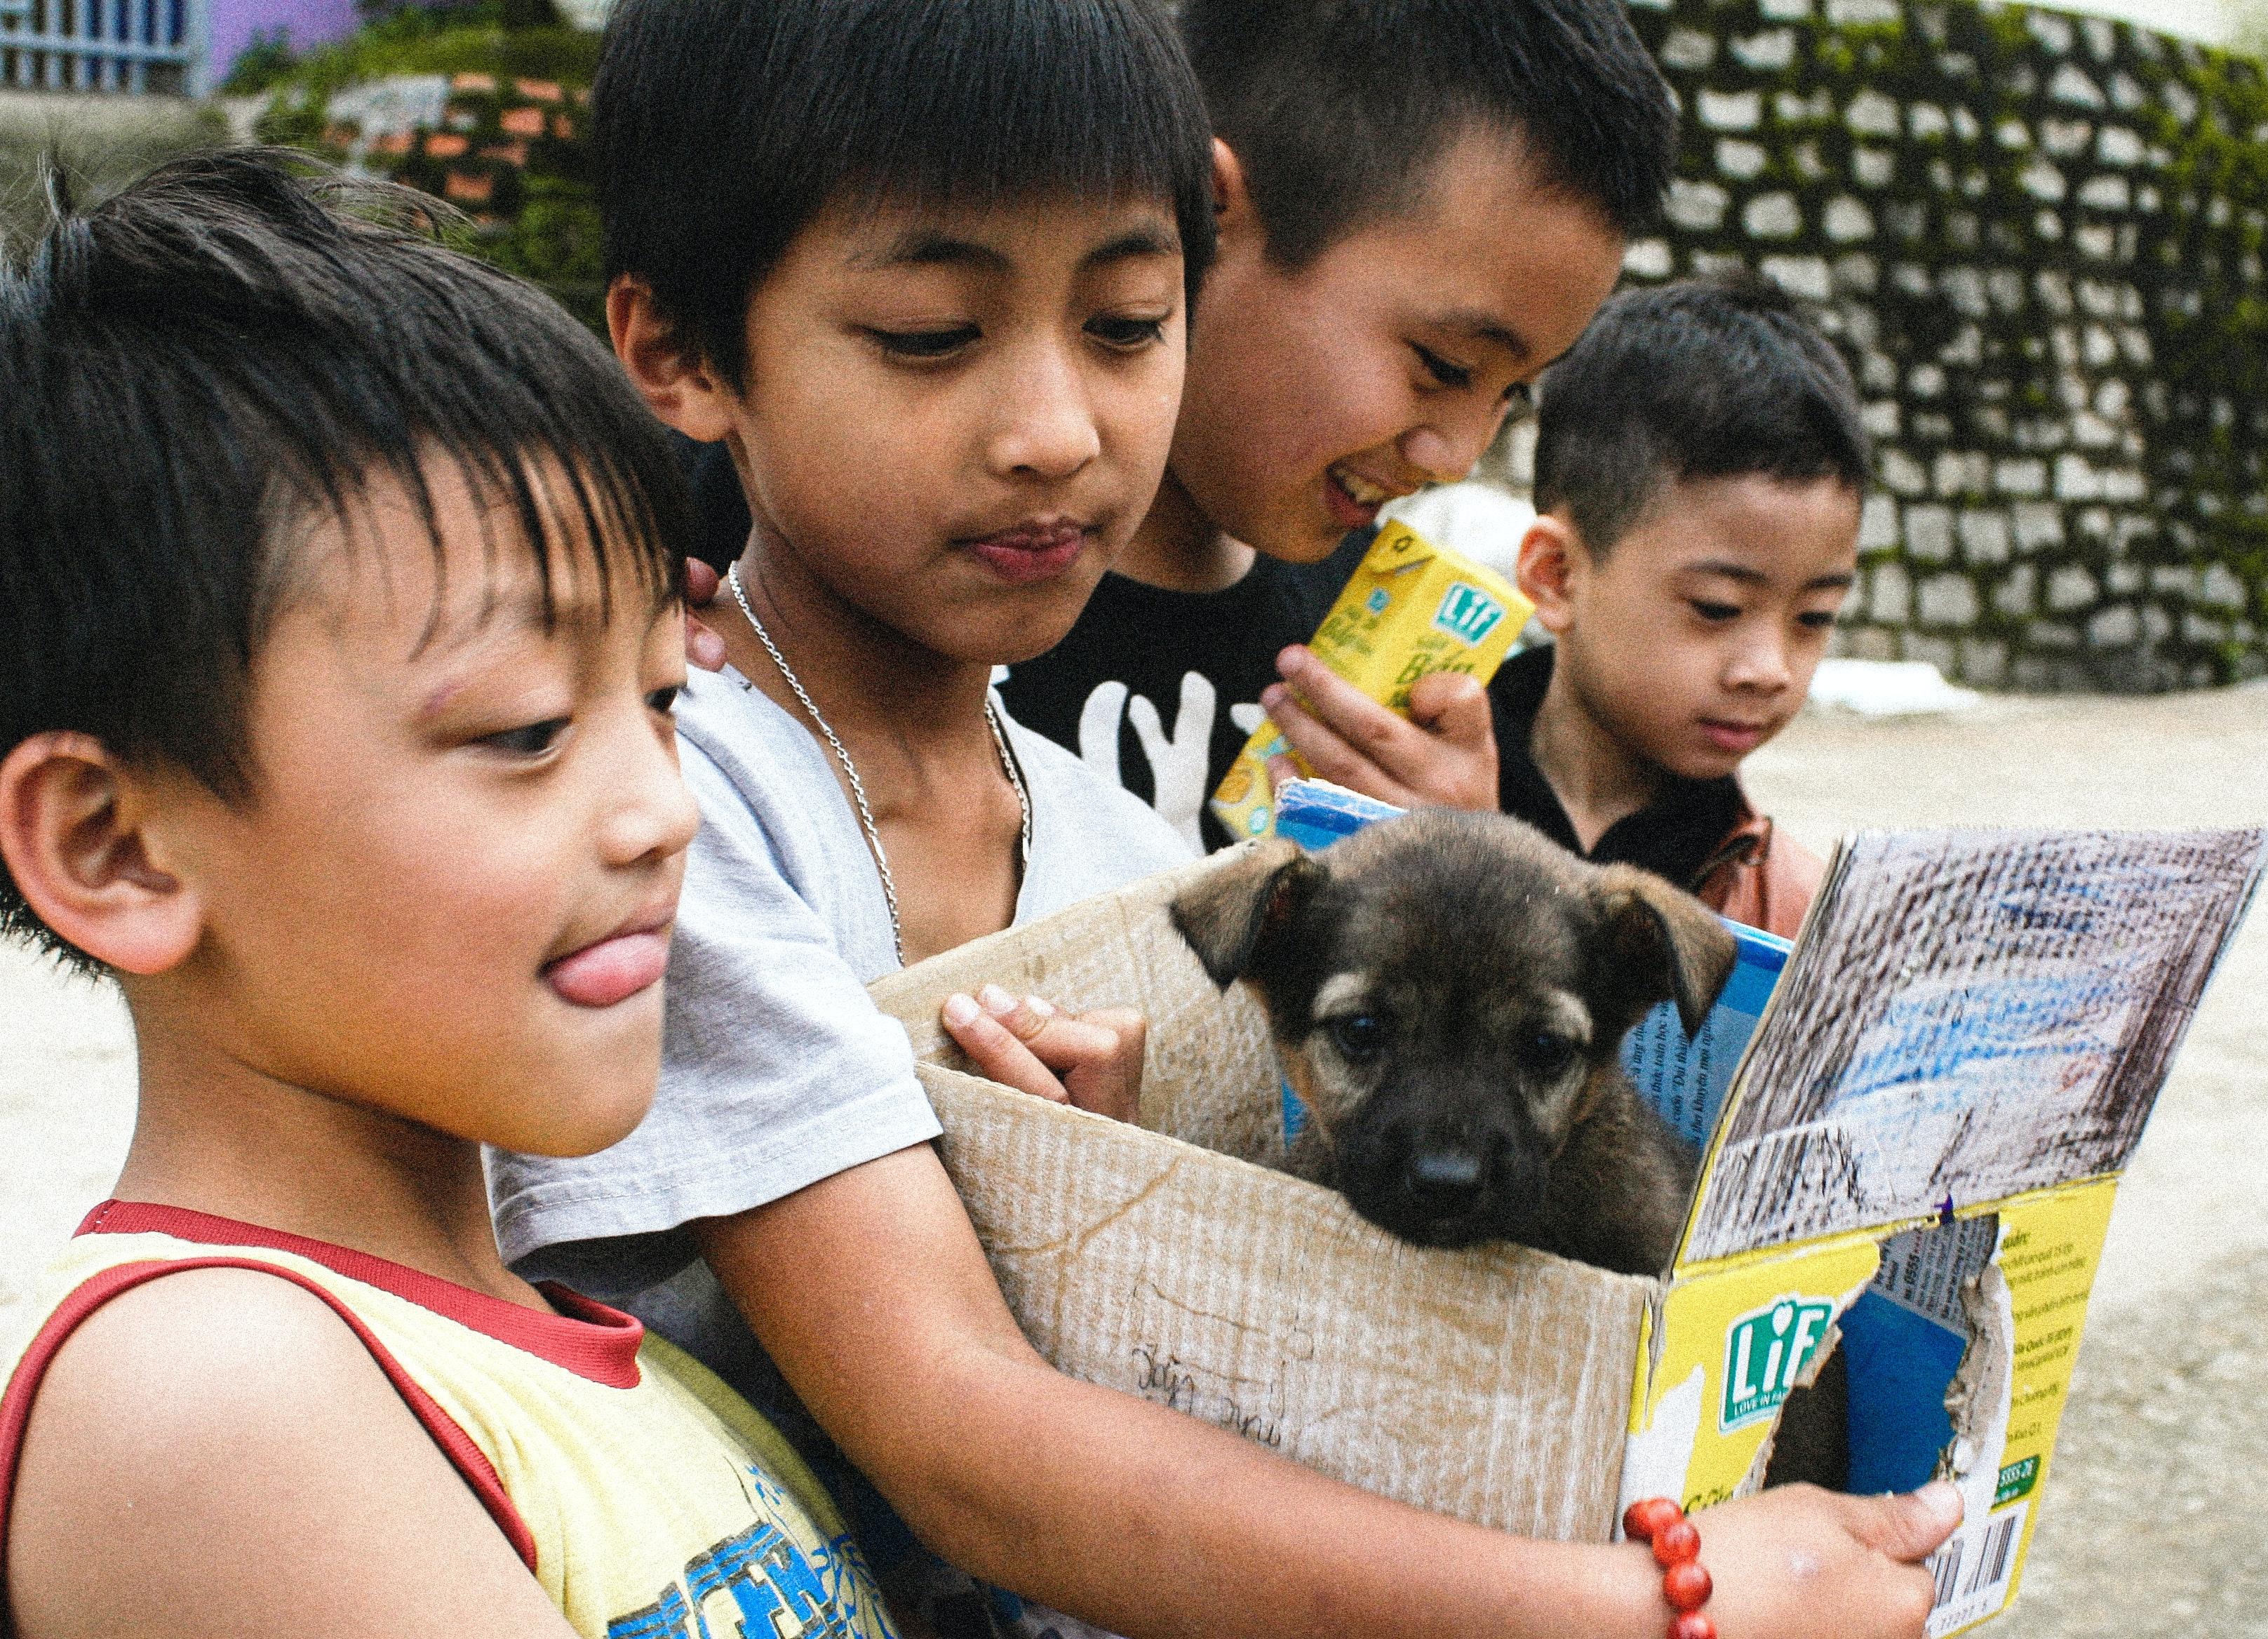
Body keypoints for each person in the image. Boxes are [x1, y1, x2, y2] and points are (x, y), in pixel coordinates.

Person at [492, 7, 1963, 1639]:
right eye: (928, 334)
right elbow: (961, 1438)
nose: (1058, 427)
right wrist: (1653, 1600)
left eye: (1127, 325)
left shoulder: (1130, 849)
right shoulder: (666, 819)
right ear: (687, 357)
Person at [0, 152, 897, 1639]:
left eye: (664, 700)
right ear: (116, 846)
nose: (665, 810)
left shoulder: (582, 1354)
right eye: (525, 729)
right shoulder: (209, 1393)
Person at [678, 0, 1678, 854]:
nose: (1457, 453)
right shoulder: (717, 546)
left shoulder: (1371, 669)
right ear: (1204, 215)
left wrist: (1447, 868)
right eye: (1444, 366)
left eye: (1515, 392)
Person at [1496, 274, 1869, 939]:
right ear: (1556, 576)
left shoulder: (1793, 919)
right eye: (1717, 608)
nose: (1769, 670)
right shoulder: (1386, 791)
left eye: (1813, 617)